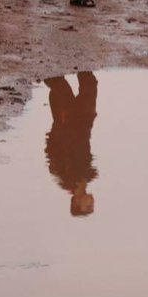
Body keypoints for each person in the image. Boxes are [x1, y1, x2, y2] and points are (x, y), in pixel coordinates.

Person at [44, 72, 99, 217]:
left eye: (87, 206)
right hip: (84, 122)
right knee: (89, 83)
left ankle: (40, 62)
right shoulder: (86, 177)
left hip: (69, 122)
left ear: (75, 202)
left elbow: (52, 151)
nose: (92, 203)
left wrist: (61, 128)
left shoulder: (66, 178)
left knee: (58, 83)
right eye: (91, 206)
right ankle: (81, 57)